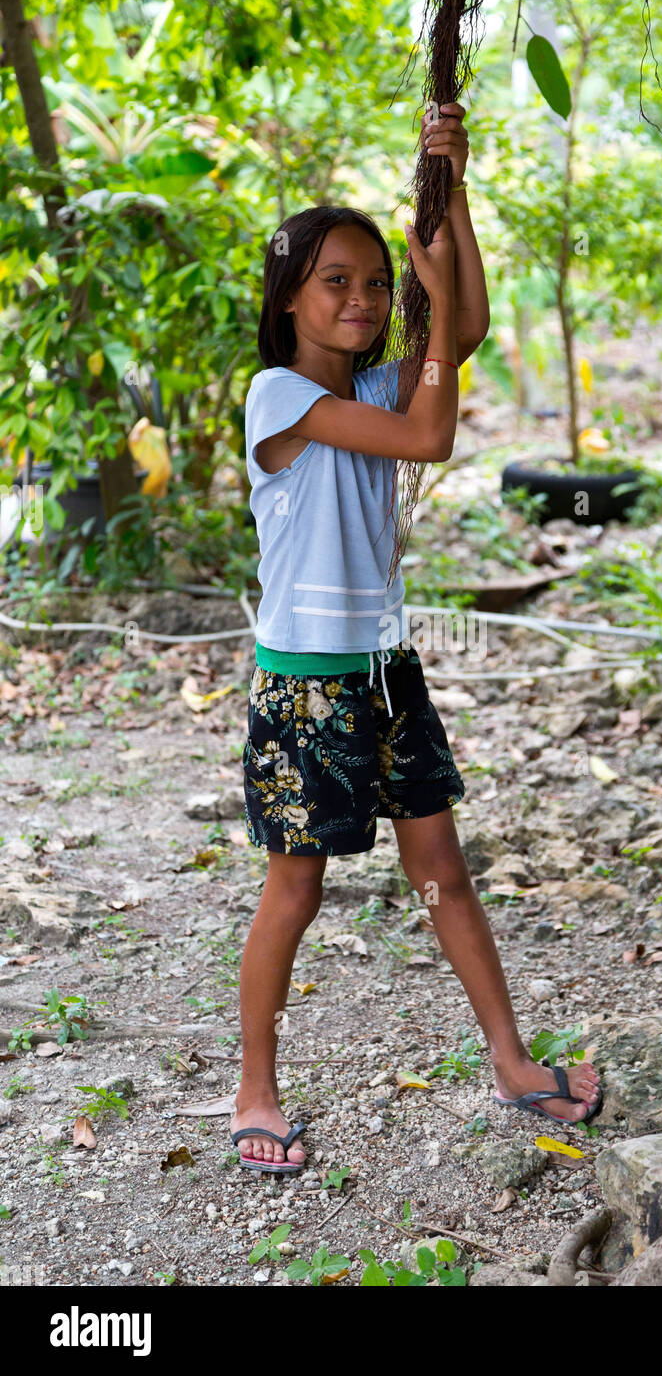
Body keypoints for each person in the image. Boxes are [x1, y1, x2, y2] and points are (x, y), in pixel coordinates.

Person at [231, 103, 601, 1174]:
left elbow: (466, 331)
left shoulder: (378, 385)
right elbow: (431, 433)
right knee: (294, 886)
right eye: (334, 280)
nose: (359, 297)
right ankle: (254, 1088)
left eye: (374, 280)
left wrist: (457, 190)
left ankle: (511, 1061)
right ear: (290, 295)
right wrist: (429, 298)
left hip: (386, 673)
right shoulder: (279, 398)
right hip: (306, 687)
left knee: (441, 868)